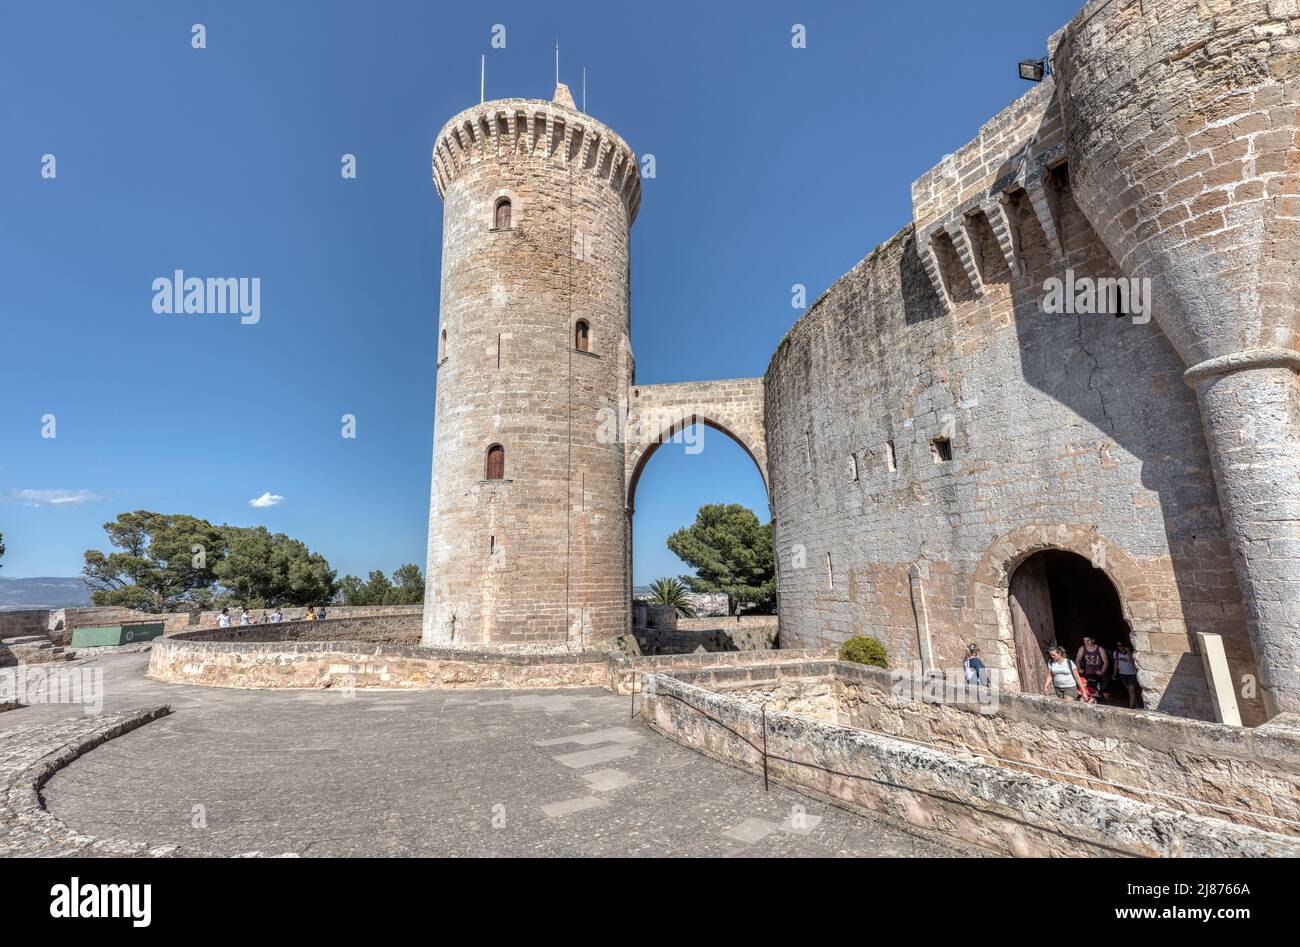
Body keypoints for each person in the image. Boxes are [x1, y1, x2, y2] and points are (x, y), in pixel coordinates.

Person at [1076, 637, 1109, 701]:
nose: (1086, 642)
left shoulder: (1100, 649)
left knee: (1103, 691)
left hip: (1099, 673)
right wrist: (1079, 668)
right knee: (1089, 689)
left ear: (1093, 640)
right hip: (1088, 673)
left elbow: (1106, 662)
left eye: (1088, 640)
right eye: (1084, 641)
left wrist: (1102, 671)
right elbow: (1078, 659)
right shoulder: (1082, 648)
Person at [1113, 641, 1140, 709]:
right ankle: (1136, 705)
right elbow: (1116, 663)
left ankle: (1130, 708)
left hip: (1132, 673)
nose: (1120, 647)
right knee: (1130, 691)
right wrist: (1114, 673)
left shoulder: (1130, 653)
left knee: (1131, 690)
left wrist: (1128, 651)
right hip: (1122, 674)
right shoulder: (1116, 653)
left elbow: (1131, 661)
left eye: (1121, 645)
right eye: (1118, 646)